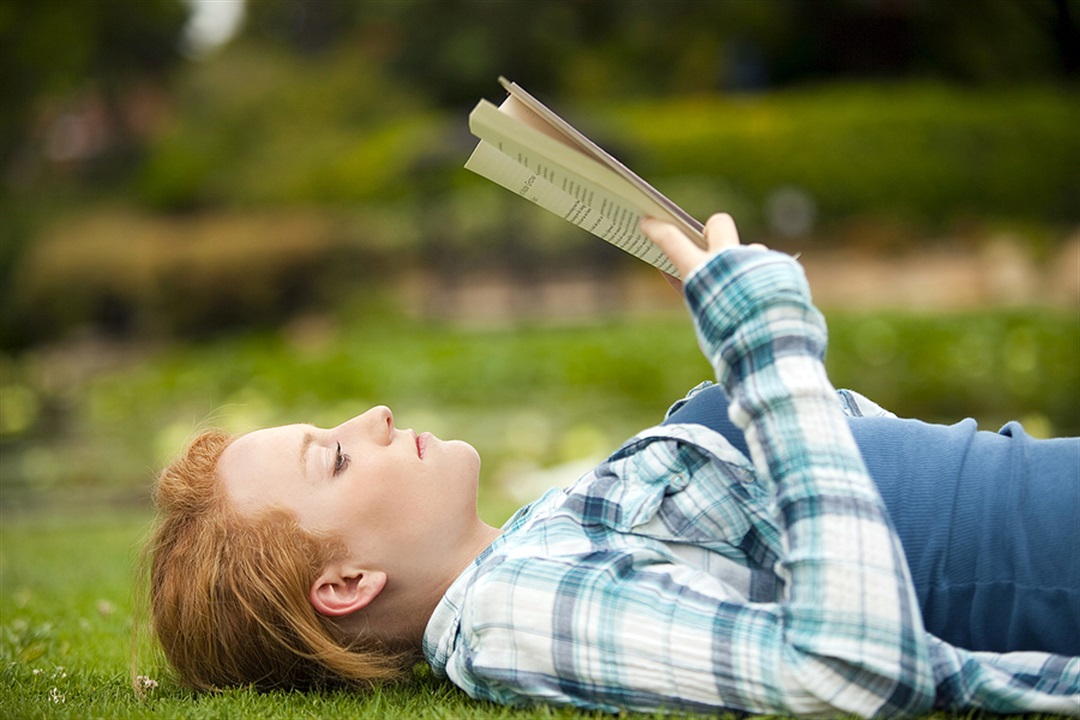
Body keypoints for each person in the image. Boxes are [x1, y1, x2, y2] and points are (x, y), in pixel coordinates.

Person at [144, 214, 1079, 717]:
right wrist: (764, 349)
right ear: (346, 582)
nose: (376, 414)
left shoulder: (531, 549)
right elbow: (842, 671)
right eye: (336, 456)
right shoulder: (517, 613)